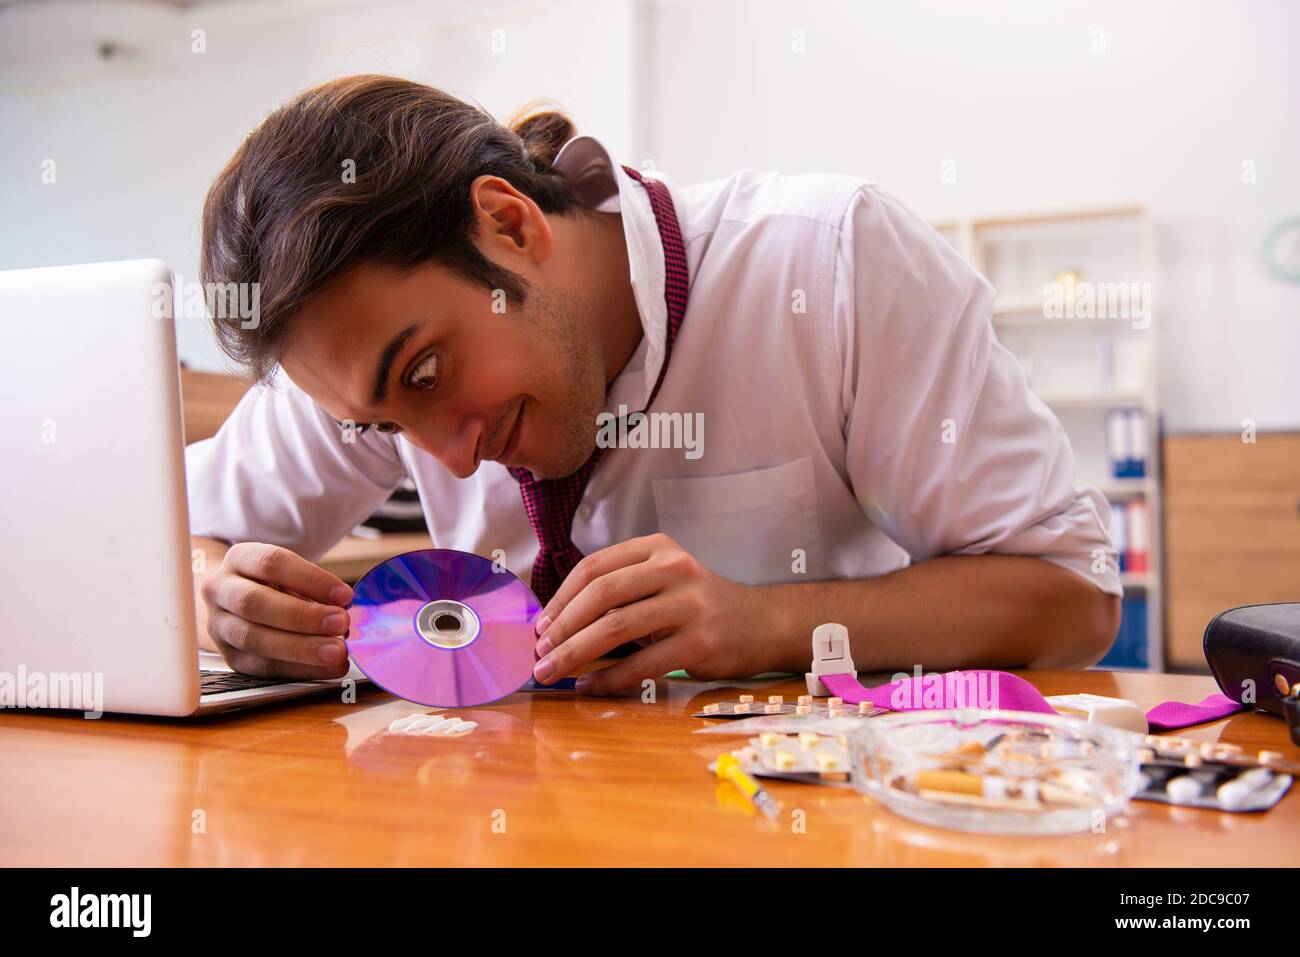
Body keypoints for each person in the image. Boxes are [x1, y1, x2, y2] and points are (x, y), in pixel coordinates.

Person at [186, 74, 1121, 695]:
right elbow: (172, 536)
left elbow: (1073, 598)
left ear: (509, 223)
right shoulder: (365, 355)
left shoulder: (830, 262)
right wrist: (217, 596)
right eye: (381, 426)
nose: (449, 456)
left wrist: (765, 622)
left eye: (429, 373)